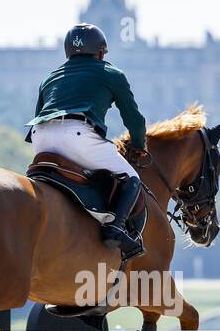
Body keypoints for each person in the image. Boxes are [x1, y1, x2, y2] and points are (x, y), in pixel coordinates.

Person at [26, 23, 147, 259]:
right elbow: (134, 120)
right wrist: (139, 146)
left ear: (68, 52)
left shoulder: (50, 77)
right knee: (132, 177)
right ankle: (115, 227)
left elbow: (41, 112)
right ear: (101, 52)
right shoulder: (111, 73)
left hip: (40, 137)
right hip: (76, 134)